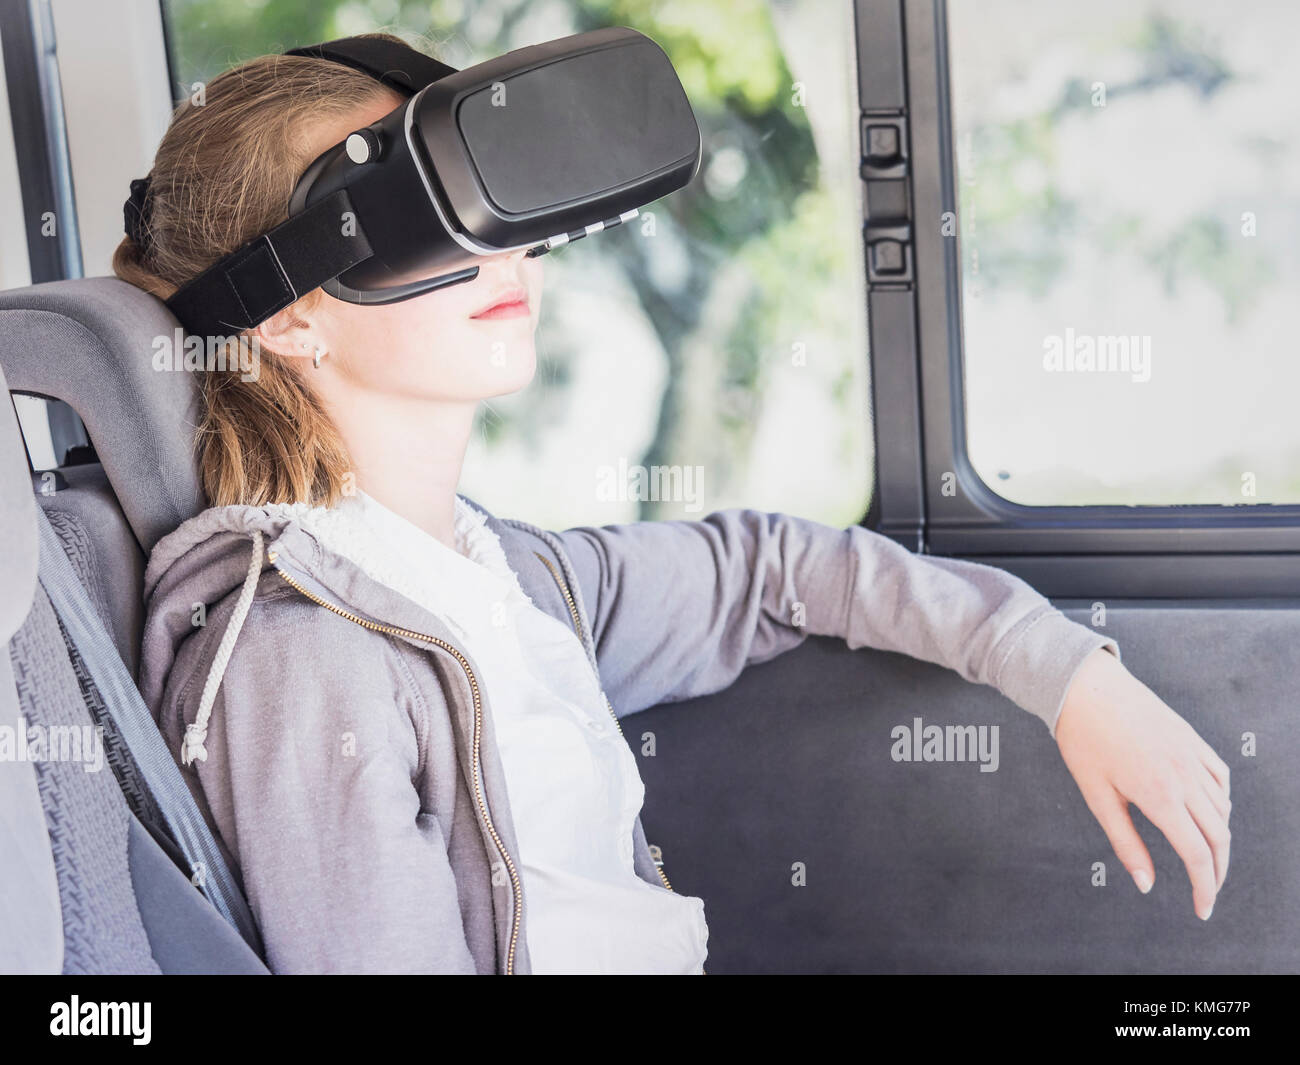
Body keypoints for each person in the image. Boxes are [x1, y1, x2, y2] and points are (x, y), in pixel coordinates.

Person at [119, 35, 1230, 975]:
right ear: (279, 318)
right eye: (413, 212)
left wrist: (1064, 670)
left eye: (481, 192)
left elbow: (768, 571)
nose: (488, 246)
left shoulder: (502, 575)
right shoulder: (306, 662)